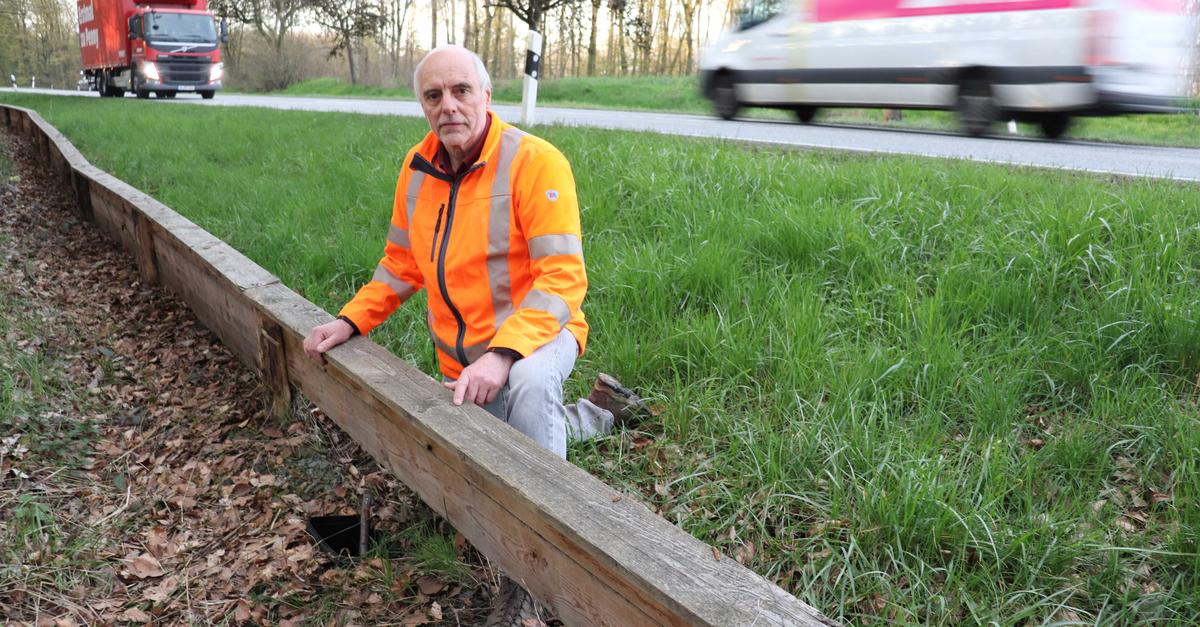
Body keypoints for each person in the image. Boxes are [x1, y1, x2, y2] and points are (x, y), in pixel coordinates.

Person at [302, 44, 647, 459]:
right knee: (510, 435)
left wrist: (502, 355)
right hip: (463, 358)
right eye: (433, 96)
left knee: (531, 385)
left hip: (540, 334)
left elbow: (562, 276)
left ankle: (536, 518)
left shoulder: (536, 163)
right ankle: (603, 412)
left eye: (461, 90)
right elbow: (401, 264)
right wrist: (349, 321)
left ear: (486, 96)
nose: (448, 106)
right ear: (423, 106)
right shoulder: (416, 169)